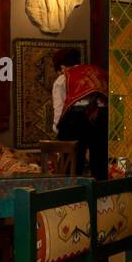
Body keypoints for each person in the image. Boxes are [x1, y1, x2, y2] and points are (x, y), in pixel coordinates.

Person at [51, 49, 108, 177]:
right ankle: (101, 193)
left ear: (62, 67)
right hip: (101, 118)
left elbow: (59, 108)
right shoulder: (99, 72)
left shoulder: (63, 78)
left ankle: (72, 193)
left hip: (75, 120)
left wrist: (57, 128)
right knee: (100, 165)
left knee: (72, 166)